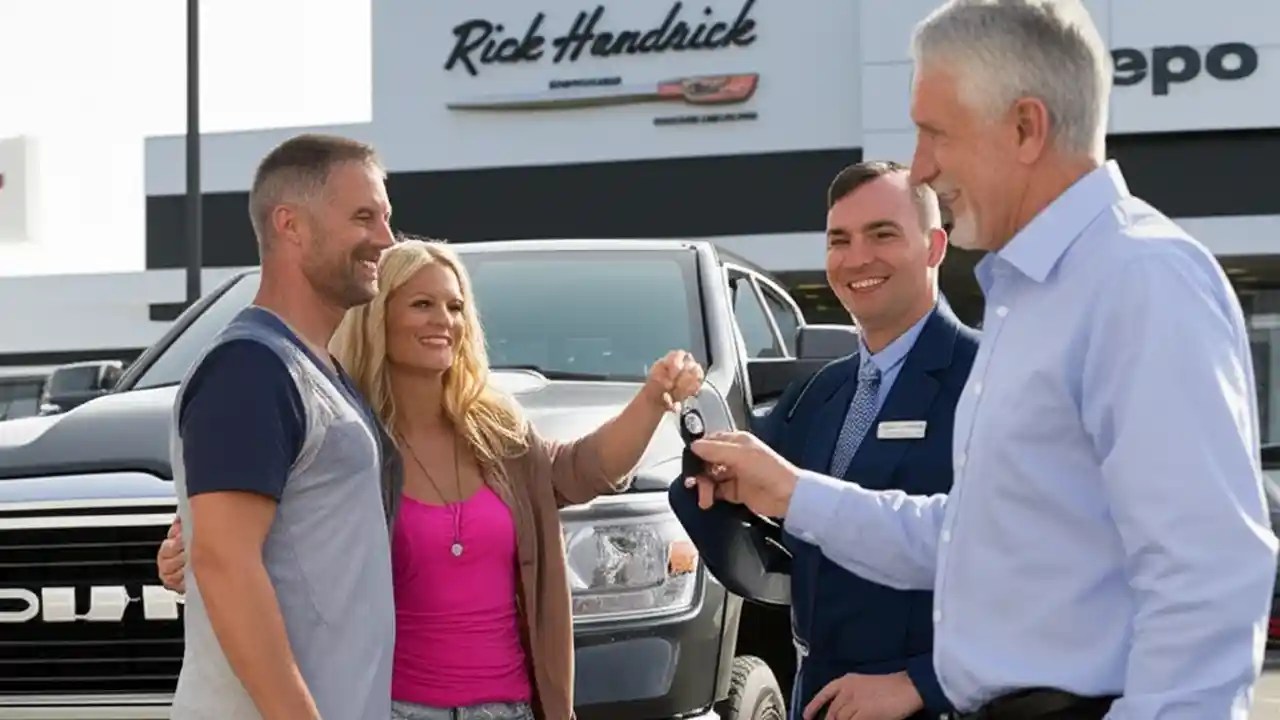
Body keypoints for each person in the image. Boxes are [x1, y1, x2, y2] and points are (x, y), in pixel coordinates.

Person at [684, 2, 1278, 719]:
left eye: (935, 132)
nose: (924, 167)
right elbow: (968, 537)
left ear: (1026, 127)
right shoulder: (1033, 300)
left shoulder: (1140, 281)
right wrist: (788, 491)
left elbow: (1206, 578)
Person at [159, 236, 705, 720]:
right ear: (378, 317)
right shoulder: (348, 445)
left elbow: (587, 469)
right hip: (392, 707)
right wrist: (190, 546)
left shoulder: (500, 431)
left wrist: (652, 398)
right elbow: (269, 532)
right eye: (422, 304)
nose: (443, 320)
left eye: (454, 306)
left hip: (510, 708)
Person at [669, 161, 978, 720]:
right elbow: (767, 538)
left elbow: (1039, 572)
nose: (856, 258)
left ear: (934, 247)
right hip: (818, 698)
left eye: (882, 234)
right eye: (840, 240)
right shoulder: (818, 393)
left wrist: (923, 684)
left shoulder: (993, 380)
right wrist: (708, 474)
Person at [166, 132, 399, 720]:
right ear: (290, 225)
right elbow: (224, 560)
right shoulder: (250, 368)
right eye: (364, 217)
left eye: (385, 218)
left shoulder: (314, 368)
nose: (386, 240)